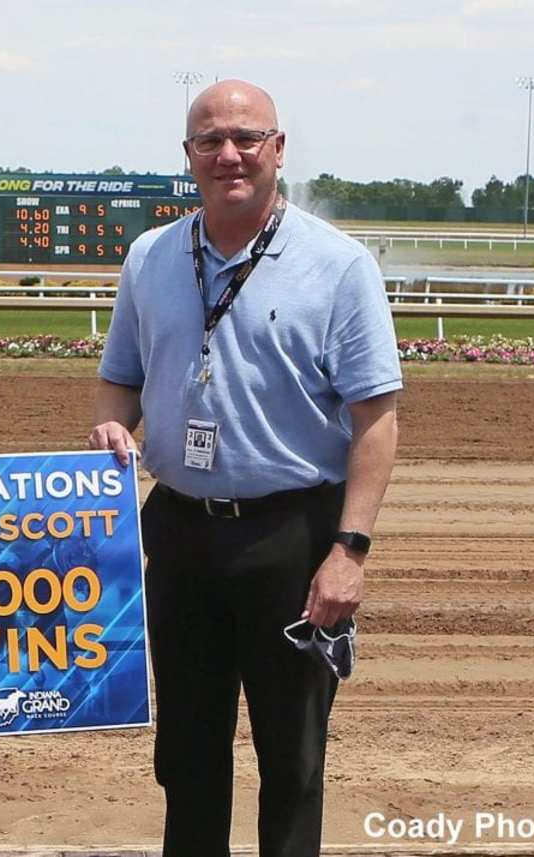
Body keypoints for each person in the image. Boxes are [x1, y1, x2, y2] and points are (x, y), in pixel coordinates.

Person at [88, 79, 400, 857]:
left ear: (278, 149)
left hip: (292, 539)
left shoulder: (340, 267)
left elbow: (376, 421)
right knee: (187, 753)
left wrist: (348, 550)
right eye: (210, 141)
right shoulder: (149, 257)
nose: (229, 154)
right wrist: (109, 424)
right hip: (180, 530)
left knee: (292, 756)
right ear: (188, 157)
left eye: (246, 138)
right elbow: (119, 379)